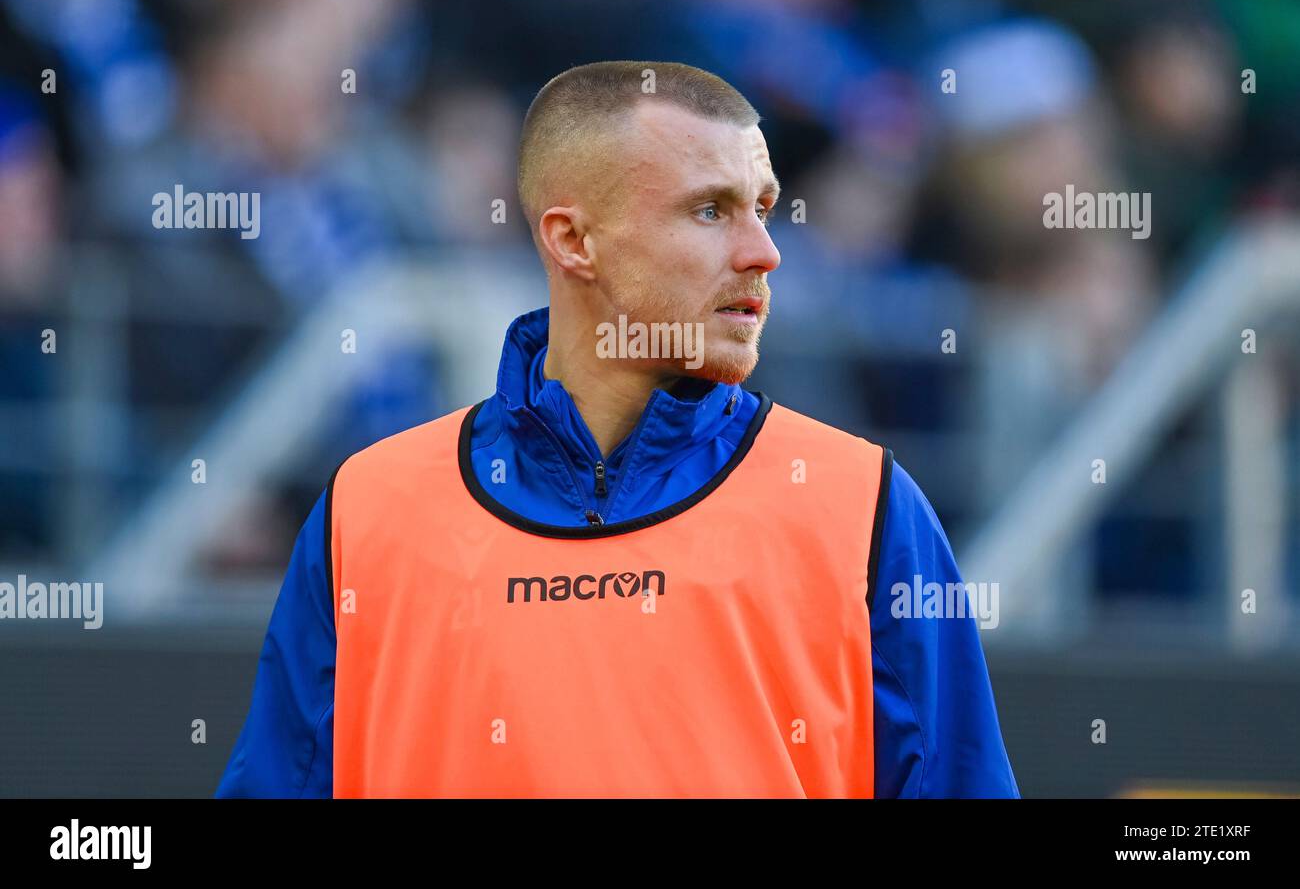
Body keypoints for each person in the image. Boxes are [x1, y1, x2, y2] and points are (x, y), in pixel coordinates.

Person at [216, 60, 1019, 798]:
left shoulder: (867, 505)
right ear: (572, 240)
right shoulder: (369, 509)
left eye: (764, 209)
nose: (765, 252)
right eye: (712, 210)